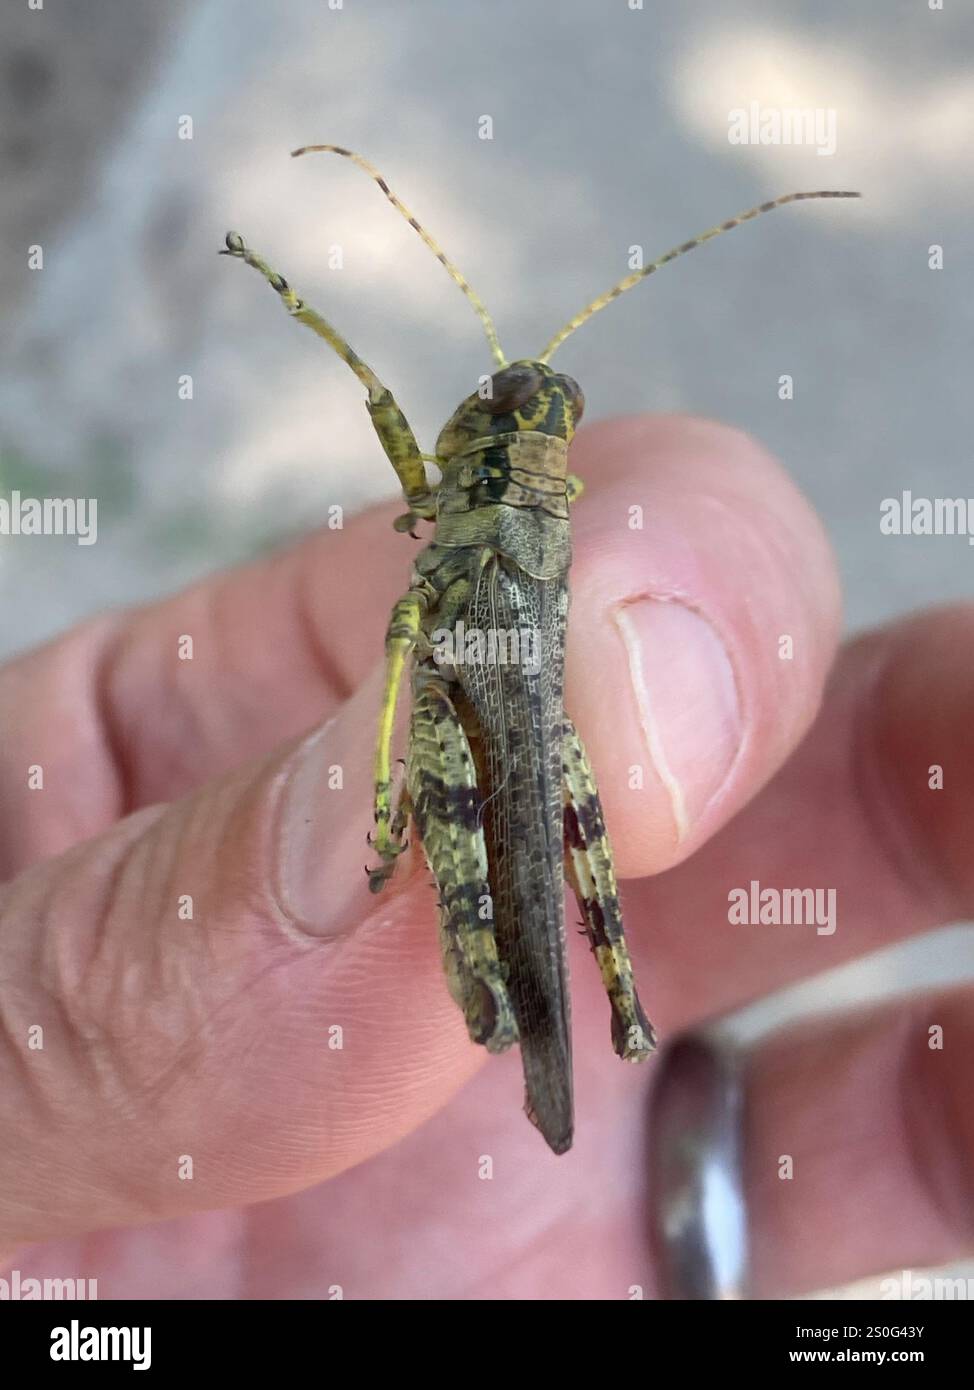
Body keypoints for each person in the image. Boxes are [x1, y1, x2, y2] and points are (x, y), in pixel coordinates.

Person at [0, 417, 969, 1299]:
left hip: (505, 721)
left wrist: (379, 807)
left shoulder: (521, 528)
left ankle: (596, 1008)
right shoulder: (513, 518)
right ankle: (537, 1014)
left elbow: (405, 639)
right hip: (470, 710)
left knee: (572, 802)